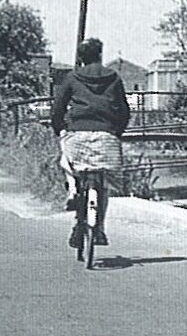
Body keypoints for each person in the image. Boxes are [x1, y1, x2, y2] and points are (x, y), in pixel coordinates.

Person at [51, 37, 131, 251]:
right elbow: (124, 110)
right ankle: (100, 228)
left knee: (66, 160)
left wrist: (59, 128)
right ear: (100, 55)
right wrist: (117, 132)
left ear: (81, 57)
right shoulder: (114, 77)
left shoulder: (72, 77)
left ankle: (74, 190)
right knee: (102, 183)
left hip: (77, 134)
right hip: (106, 136)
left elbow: (58, 108)